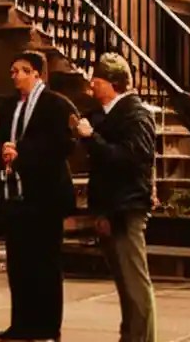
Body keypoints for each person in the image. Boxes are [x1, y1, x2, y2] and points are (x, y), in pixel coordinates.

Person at [0, 51, 78, 342]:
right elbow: (1, 138)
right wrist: (2, 151)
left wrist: (22, 153)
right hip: (15, 194)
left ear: (36, 74)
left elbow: (63, 144)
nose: (14, 75)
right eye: (13, 70)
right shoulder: (11, 106)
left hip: (46, 195)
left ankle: (48, 326)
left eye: (21, 70)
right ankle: (21, 324)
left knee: (46, 264)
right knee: (19, 263)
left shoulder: (55, 104)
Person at [76, 53, 158, 342]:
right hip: (112, 206)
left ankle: (142, 338)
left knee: (135, 283)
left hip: (127, 206)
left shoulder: (136, 114)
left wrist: (92, 138)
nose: (92, 86)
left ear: (113, 83)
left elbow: (133, 158)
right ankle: (130, 336)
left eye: (97, 81)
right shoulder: (106, 115)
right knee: (124, 283)